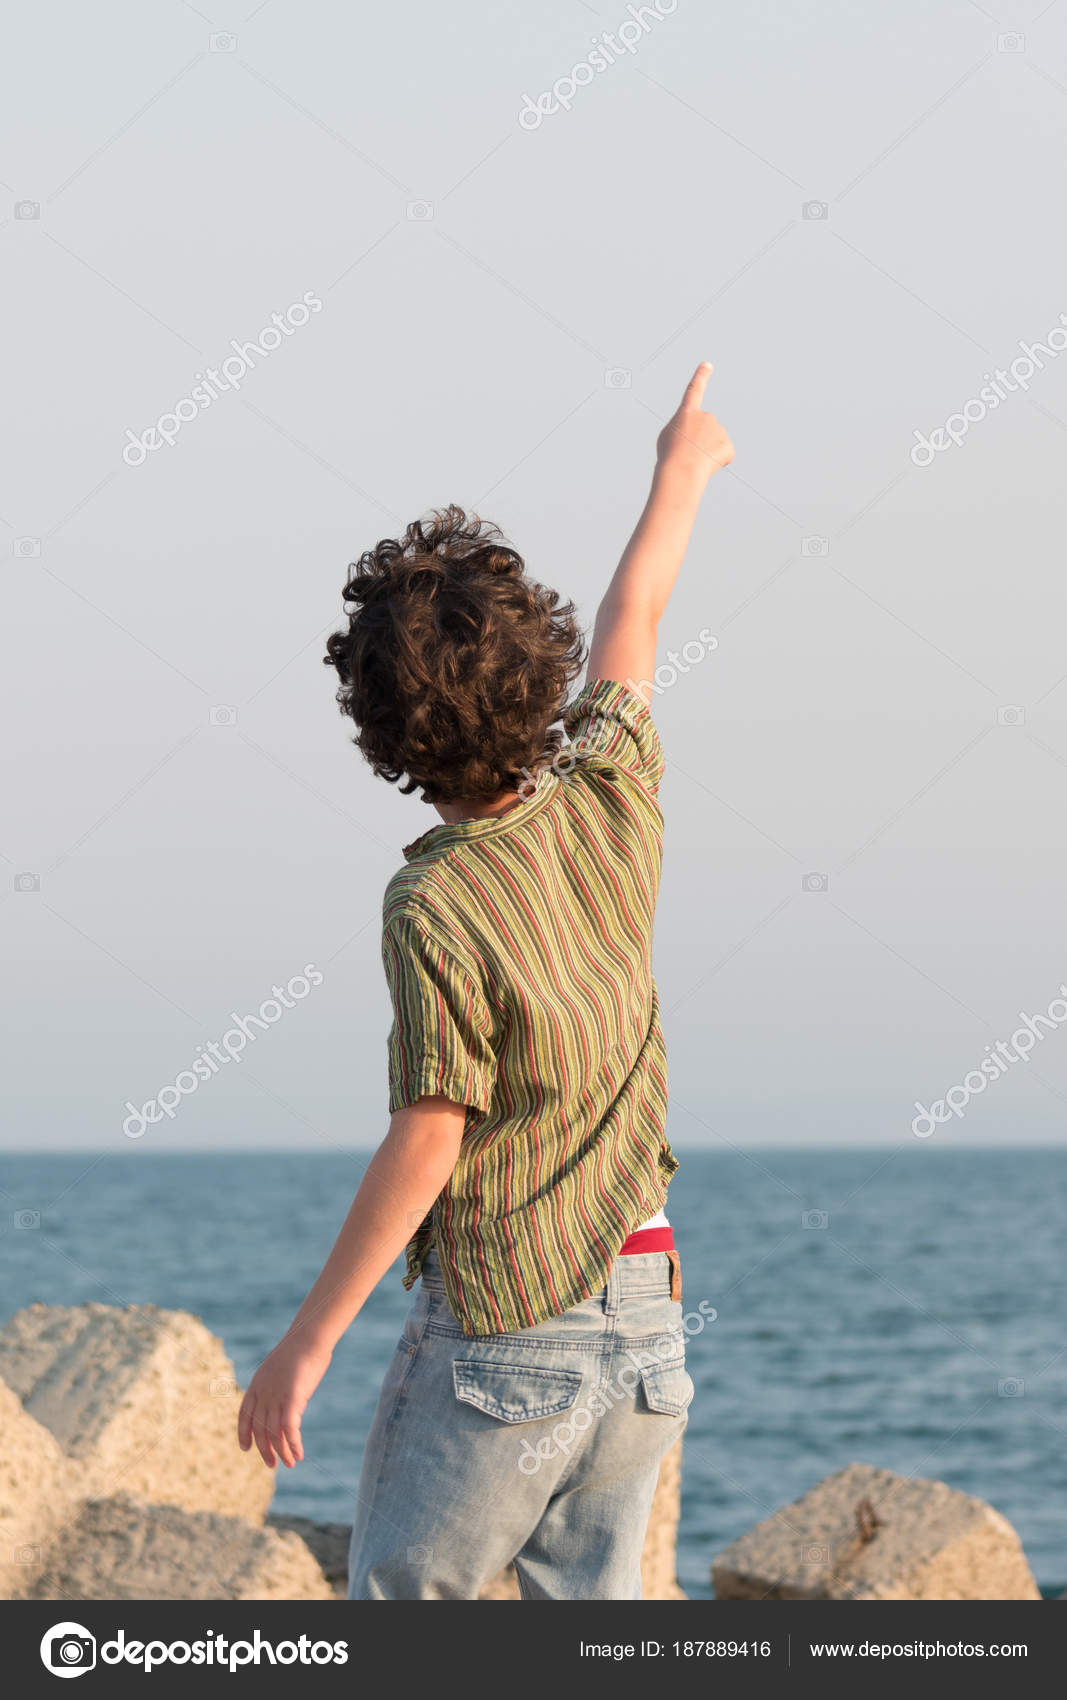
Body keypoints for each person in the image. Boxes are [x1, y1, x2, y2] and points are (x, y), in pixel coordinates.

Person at [238, 363, 734, 1599]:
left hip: (514, 1328)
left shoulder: (434, 900)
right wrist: (680, 467)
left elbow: (430, 1134)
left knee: (406, 1606)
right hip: (649, 1310)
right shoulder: (612, 789)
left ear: (383, 736)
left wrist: (309, 1340)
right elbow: (640, 614)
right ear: (539, 671)